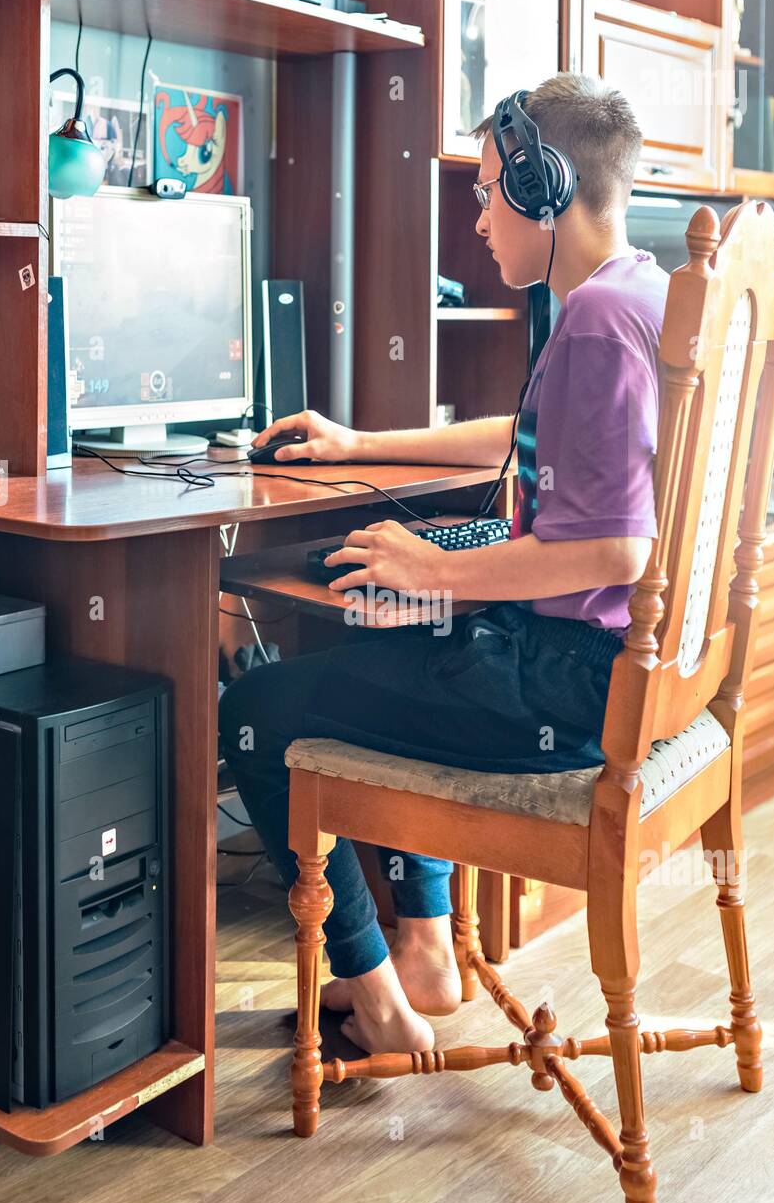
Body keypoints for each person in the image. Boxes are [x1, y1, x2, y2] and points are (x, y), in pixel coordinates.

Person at [219, 73, 669, 1057]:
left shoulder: (592, 325)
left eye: (483, 191)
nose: (475, 220)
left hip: (567, 695)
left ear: (539, 187)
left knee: (255, 712)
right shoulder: (633, 296)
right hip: (614, 678)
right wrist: (357, 444)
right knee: (414, 626)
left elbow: (612, 548)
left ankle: (375, 993)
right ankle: (424, 948)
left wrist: (431, 568)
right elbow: (523, 438)